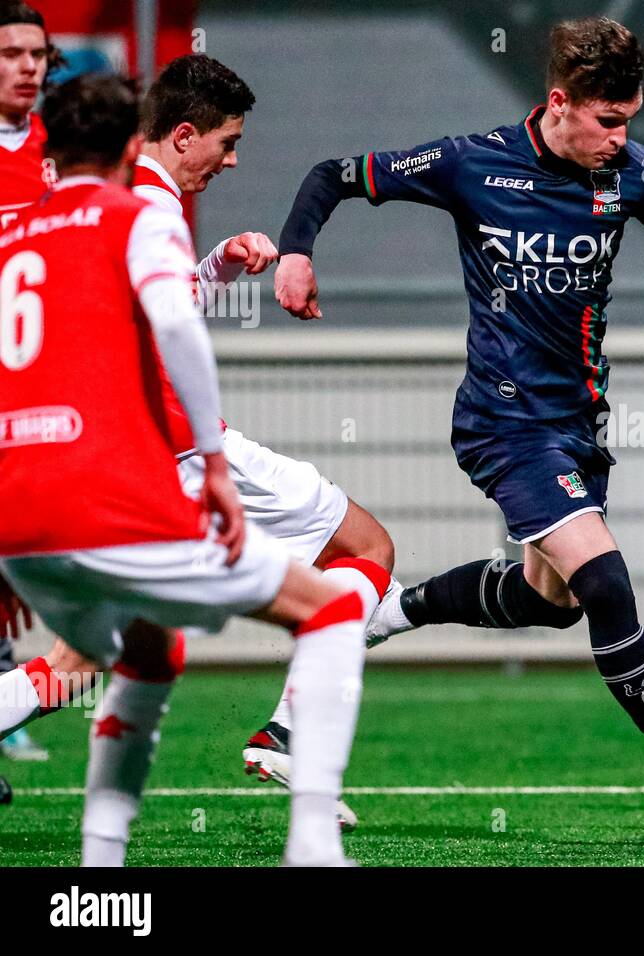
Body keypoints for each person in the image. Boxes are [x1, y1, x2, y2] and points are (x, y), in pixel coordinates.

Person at [276, 16, 644, 848]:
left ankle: (388, 615)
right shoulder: (471, 163)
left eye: (631, 120)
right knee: (606, 581)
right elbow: (336, 174)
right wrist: (295, 252)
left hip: (577, 426)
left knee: (554, 602)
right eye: (609, 121)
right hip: (503, 423)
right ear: (559, 103)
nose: (622, 138)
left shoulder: (633, 176)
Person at [0, 57, 409, 830]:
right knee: (364, 547)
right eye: (225, 143)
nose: (232, 159)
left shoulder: (50, 218)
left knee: (82, 664)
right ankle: (296, 763)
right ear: (174, 136)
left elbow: (132, 317)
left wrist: (215, 265)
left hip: (74, 467)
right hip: (177, 454)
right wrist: (212, 462)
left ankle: (107, 863)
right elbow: (172, 332)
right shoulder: (142, 205)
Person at [0, 0, 54, 762]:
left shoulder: (65, 147)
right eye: (13, 53)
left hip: (42, 400)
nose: (28, 67)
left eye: (38, 55)